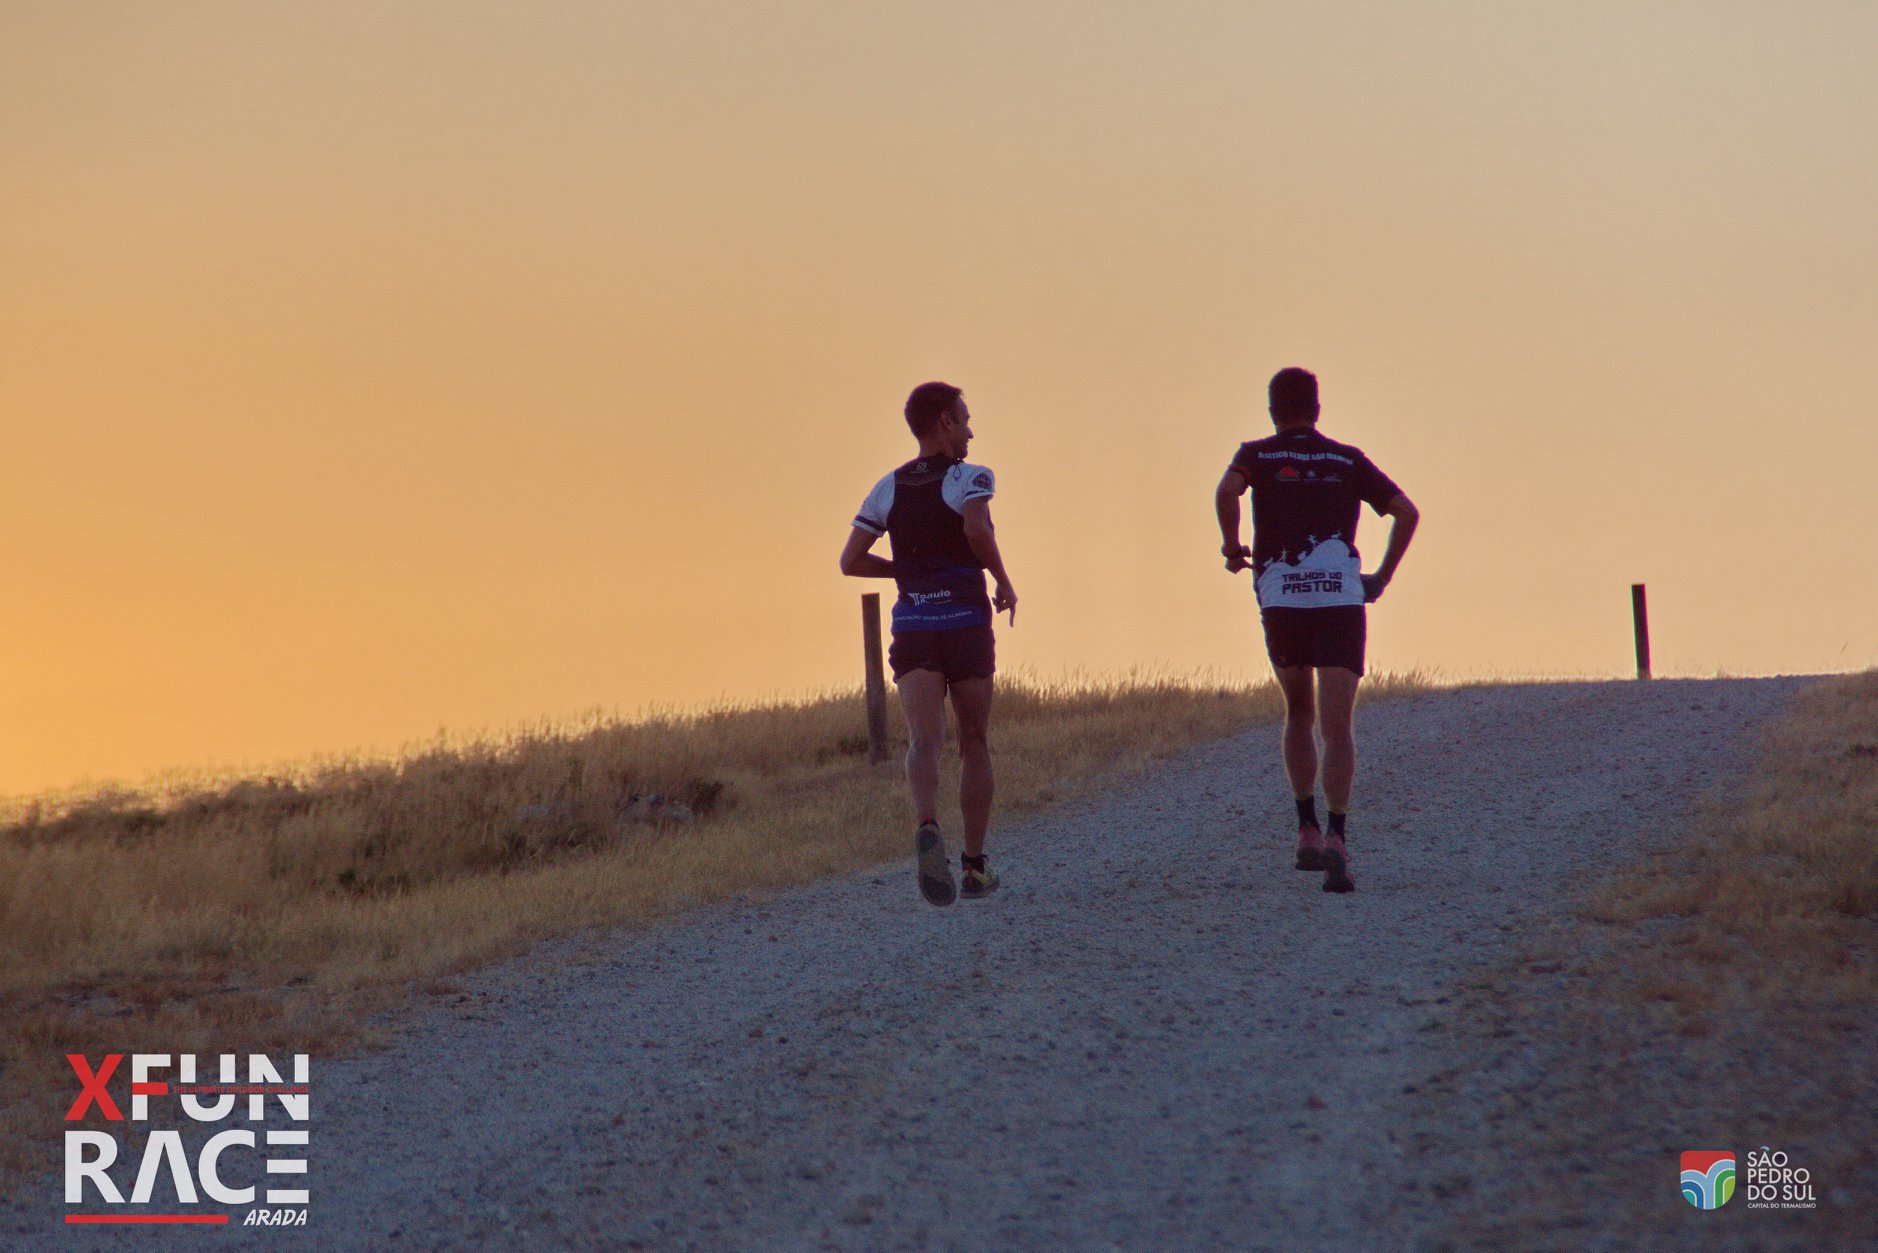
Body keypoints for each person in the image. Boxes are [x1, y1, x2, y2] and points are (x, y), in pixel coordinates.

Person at [1215, 367, 1419, 893]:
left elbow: (1227, 491)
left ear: (1271, 410)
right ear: (1318, 410)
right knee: (1338, 726)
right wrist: (1381, 578)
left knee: (1298, 711)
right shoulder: (1346, 458)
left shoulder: (1256, 453)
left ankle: (1304, 827)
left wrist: (1232, 544)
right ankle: (1337, 837)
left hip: (1282, 597)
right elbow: (1405, 511)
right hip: (1340, 599)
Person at [840, 382, 1017, 907]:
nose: (969, 430)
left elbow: (850, 561)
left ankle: (926, 825)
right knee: (975, 742)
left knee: (923, 740)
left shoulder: (886, 488)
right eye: (964, 419)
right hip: (964, 621)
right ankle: (975, 867)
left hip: (914, 623)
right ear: (943, 422)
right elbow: (978, 531)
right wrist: (1004, 581)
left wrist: (905, 570)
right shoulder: (971, 476)